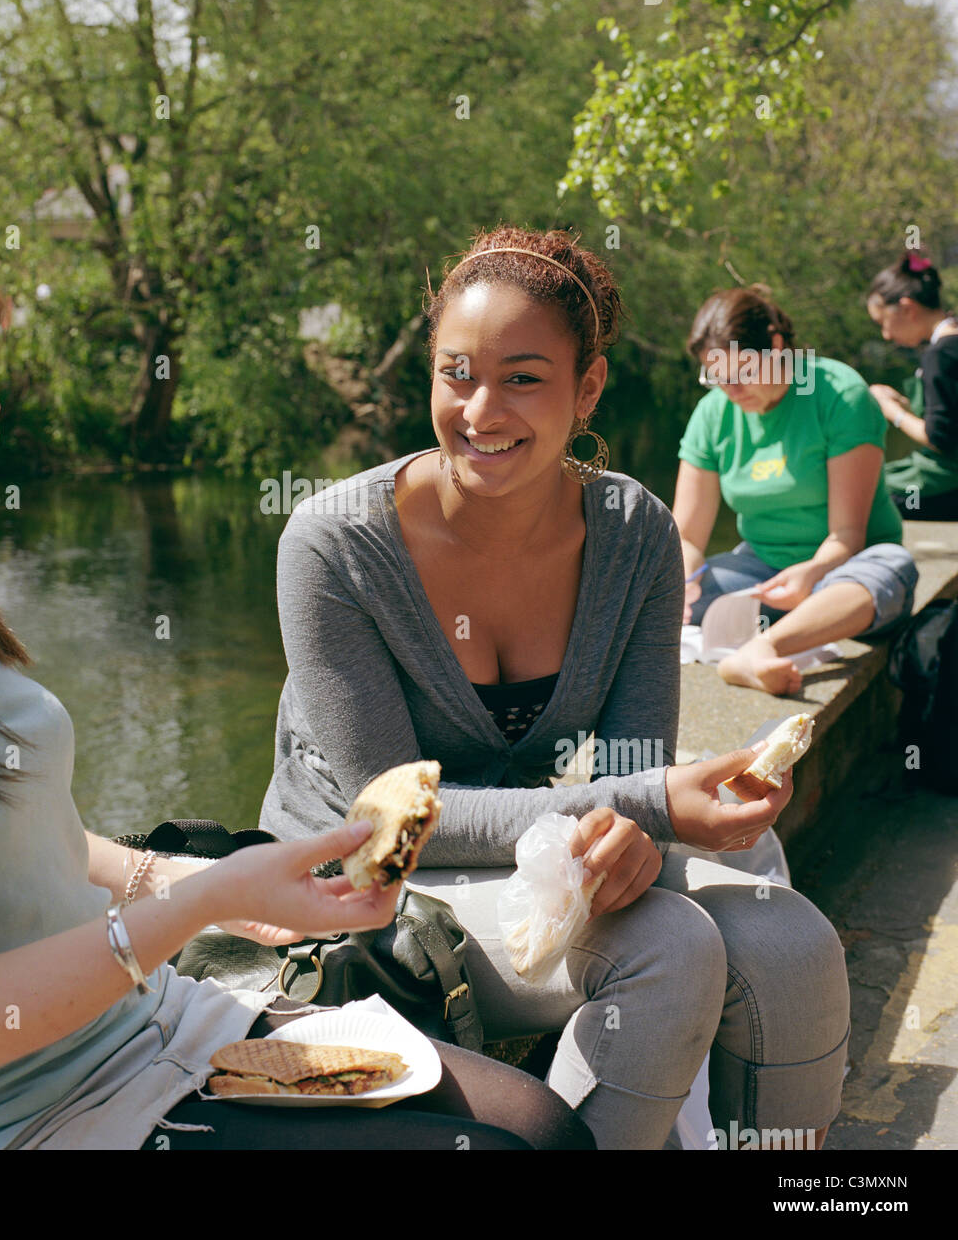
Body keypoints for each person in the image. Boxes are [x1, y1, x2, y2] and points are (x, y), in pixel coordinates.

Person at [0, 237, 593, 1151]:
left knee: (540, 1129)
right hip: (16, 1120)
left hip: (151, 1029)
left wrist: (210, 886)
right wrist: (192, 909)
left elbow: (37, 851)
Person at [259, 226, 851, 1150]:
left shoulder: (635, 535)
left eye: (523, 378)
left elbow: (628, 772)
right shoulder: (334, 545)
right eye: (456, 373)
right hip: (359, 894)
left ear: (588, 389)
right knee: (669, 947)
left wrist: (630, 831)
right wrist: (646, 804)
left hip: (532, 853)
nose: (480, 411)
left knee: (794, 945)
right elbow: (385, 822)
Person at [675, 283, 918, 695]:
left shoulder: (839, 394)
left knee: (895, 568)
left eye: (742, 373)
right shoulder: (712, 414)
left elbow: (847, 535)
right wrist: (679, 583)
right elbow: (687, 535)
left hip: (841, 569)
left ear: (775, 344)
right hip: (759, 570)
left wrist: (813, 572)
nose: (730, 391)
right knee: (651, 596)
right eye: (716, 378)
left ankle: (762, 648)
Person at [865, 251, 958, 521]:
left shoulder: (940, 354)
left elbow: (941, 438)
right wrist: (906, 404)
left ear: (907, 308)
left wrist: (891, 410)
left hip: (949, 482)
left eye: (883, 322)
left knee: (864, 492)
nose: (886, 335)